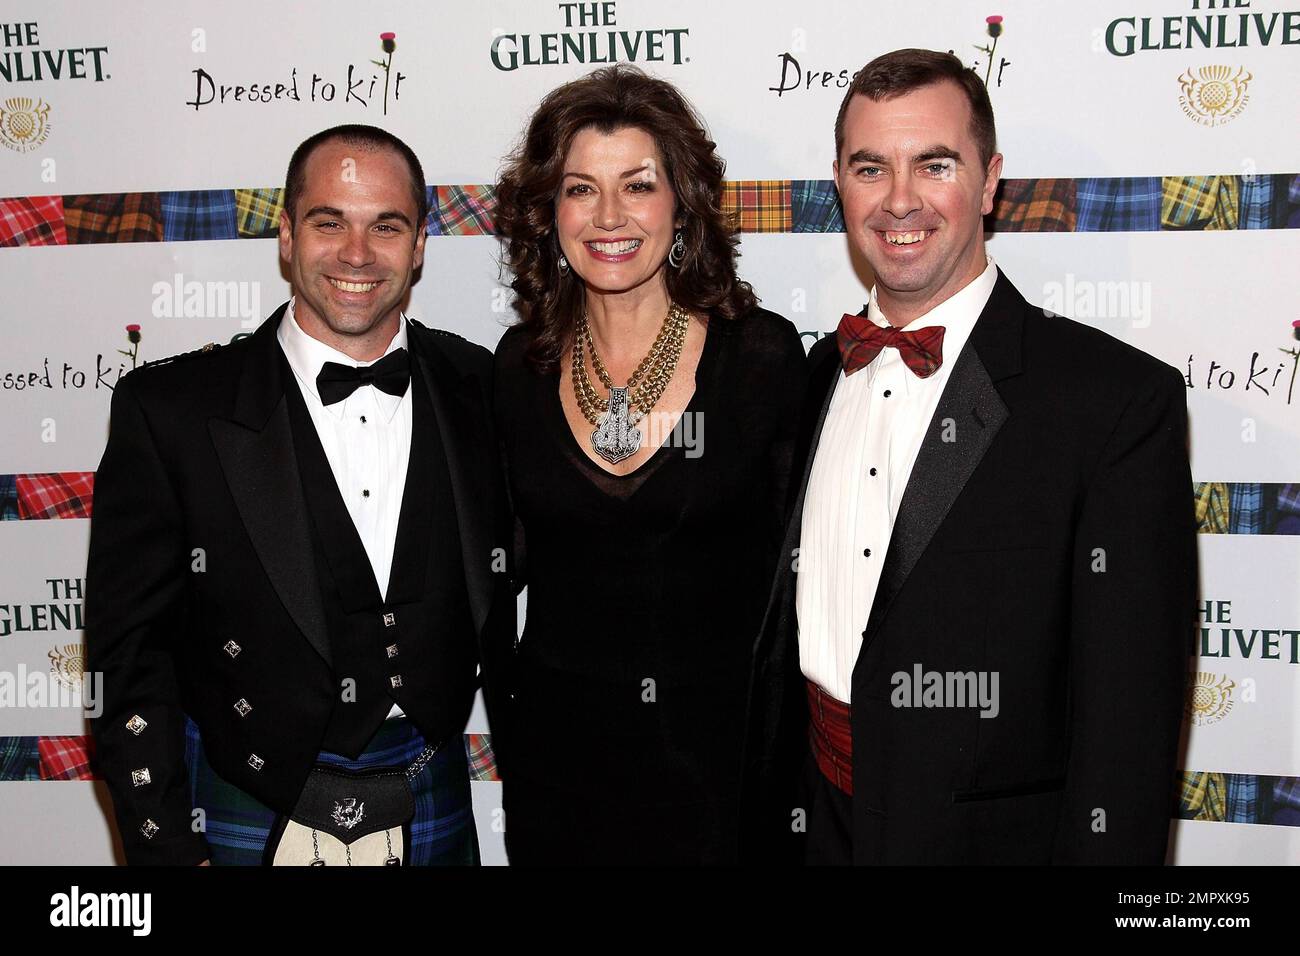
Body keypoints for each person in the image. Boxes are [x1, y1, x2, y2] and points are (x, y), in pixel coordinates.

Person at [743, 49, 1197, 865]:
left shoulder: (1113, 403)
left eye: (936, 164)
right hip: (813, 821)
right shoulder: (814, 375)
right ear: (839, 184)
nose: (900, 200)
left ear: (990, 182)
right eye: (871, 167)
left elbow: (1128, 726)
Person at [85, 124, 514, 865]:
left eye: (387, 225)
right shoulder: (174, 410)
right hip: (243, 796)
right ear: (286, 235)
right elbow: (127, 660)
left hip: (429, 791)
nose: (357, 253)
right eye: (329, 222)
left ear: (419, 246)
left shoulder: (484, 386)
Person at [492, 65, 807, 864]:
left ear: (683, 206)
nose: (608, 217)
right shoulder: (517, 368)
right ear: (547, 211)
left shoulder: (761, 359)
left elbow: (800, 584)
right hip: (560, 781)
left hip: (725, 781)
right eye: (579, 189)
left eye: (637, 185)